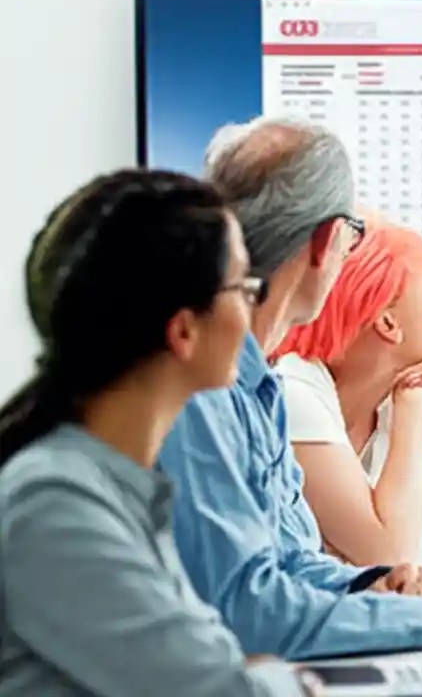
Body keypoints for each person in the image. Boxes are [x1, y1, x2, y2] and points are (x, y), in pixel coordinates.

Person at [157, 116, 422, 662]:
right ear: (327, 241)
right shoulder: (204, 391)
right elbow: (247, 607)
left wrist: (369, 588)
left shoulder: (259, 387)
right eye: (354, 233)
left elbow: (290, 559)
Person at [0, 170, 320, 696]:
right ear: (184, 331)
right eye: (242, 288)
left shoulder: (119, 485)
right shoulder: (54, 501)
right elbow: (216, 689)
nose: (252, 307)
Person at [272, 219, 422, 566]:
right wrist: (416, 418)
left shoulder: (392, 399)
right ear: (388, 324)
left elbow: (391, 568)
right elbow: (390, 560)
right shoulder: (293, 392)